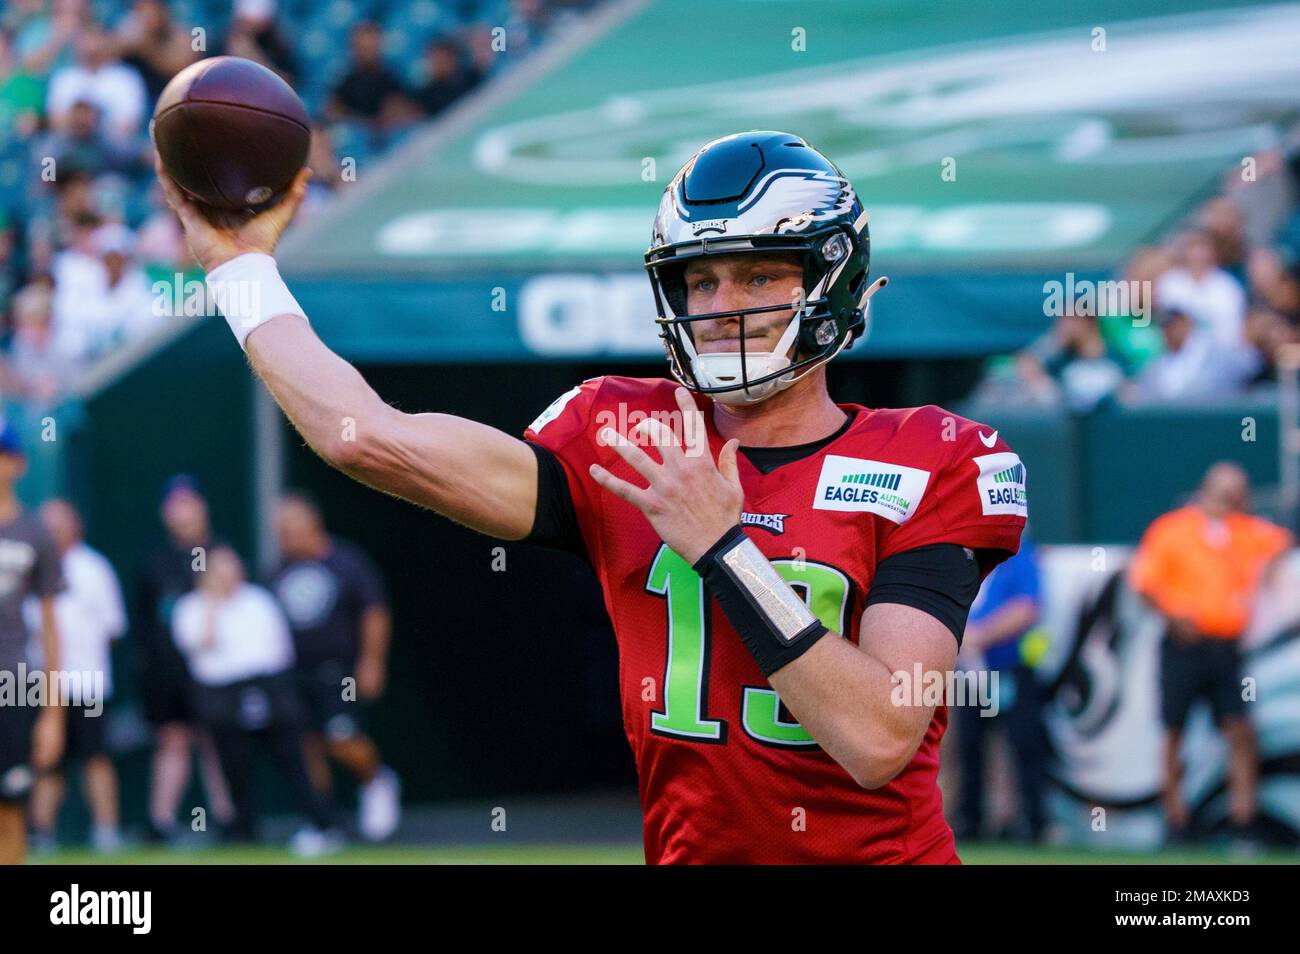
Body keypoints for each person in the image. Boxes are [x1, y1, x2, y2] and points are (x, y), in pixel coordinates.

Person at [159, 130, 1029, 864]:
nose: (722, 305)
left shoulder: (929, 457)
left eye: (758, 275)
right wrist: (240, 270)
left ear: (828, 279)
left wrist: (725, 551)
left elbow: (878, 739)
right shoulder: (622, 431)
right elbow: (363, 436)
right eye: (700, 279)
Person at [1129, 462, 1292, 845]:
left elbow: (1281, 542)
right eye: (1224, 490)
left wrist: (1270, 564)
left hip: (1224, 647)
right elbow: (1144, 582)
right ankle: (1176, 820)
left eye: (1237, 492)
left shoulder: (1245, 531)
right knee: (1173, 731)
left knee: (1239, 730)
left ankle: (1242, 821)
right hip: (1183, 644)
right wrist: (1173, 615)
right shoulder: (1173, 528)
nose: (1229, 499)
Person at [171, 546, 339, 854]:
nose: (228, 574)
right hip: (220, 696)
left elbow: (280, 649)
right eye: (220, 568)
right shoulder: (192, 606)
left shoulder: (259, 601)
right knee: (235, 767)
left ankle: (321, 825)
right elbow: (198, 645)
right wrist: (212, 603)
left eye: (232, 566)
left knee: (293, 760)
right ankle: (245, 832)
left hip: (269, 688)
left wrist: (266, 689)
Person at [268, 492, 399, 841]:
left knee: (340, 737)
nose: (283, 535)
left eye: (289, 526)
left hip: (339, 670)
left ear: (312, 522)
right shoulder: (278, 570)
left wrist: (372, 661)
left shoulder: (347, 560)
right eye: (279, 528)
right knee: (306, 744)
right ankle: (322, 822)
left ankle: (376, 780)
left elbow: (374, 611)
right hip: (294, 673)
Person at [133, 475, 233, 842]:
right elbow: (143, 620)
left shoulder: (221, 553)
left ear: (202, 507)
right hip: (167, 673)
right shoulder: (154, 561)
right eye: (175, 505)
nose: (182, 513)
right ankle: (160, 821)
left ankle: (228, 818)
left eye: (188, 503)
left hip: (216, 670)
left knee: (215, 740)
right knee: (172, 739)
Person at [24, 499, 125, 854]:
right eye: (46, 525)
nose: (52, 532)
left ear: (75, 526)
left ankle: (106, 831)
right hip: (42, 685)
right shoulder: (29, 567)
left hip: (89, 685)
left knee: (96, 757)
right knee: (46, 761)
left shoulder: (96, 569)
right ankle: (42, 833)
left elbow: (113, 627)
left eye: (59, 524)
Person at [953, 535, 1048, 843]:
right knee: (969, 746)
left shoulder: (1020, 555)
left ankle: (1032, 823)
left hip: (1009, 667)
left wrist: (978, 635)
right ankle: (970, 821)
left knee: (1024, 743)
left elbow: (1026, 608)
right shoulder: (961, 554)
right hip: (968, 668)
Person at [0, 421, 64, 864]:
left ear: (18, 463)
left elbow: (50, 627)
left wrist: (53, 714)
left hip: (13, 682)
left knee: (11, 802)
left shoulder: (36, 533)